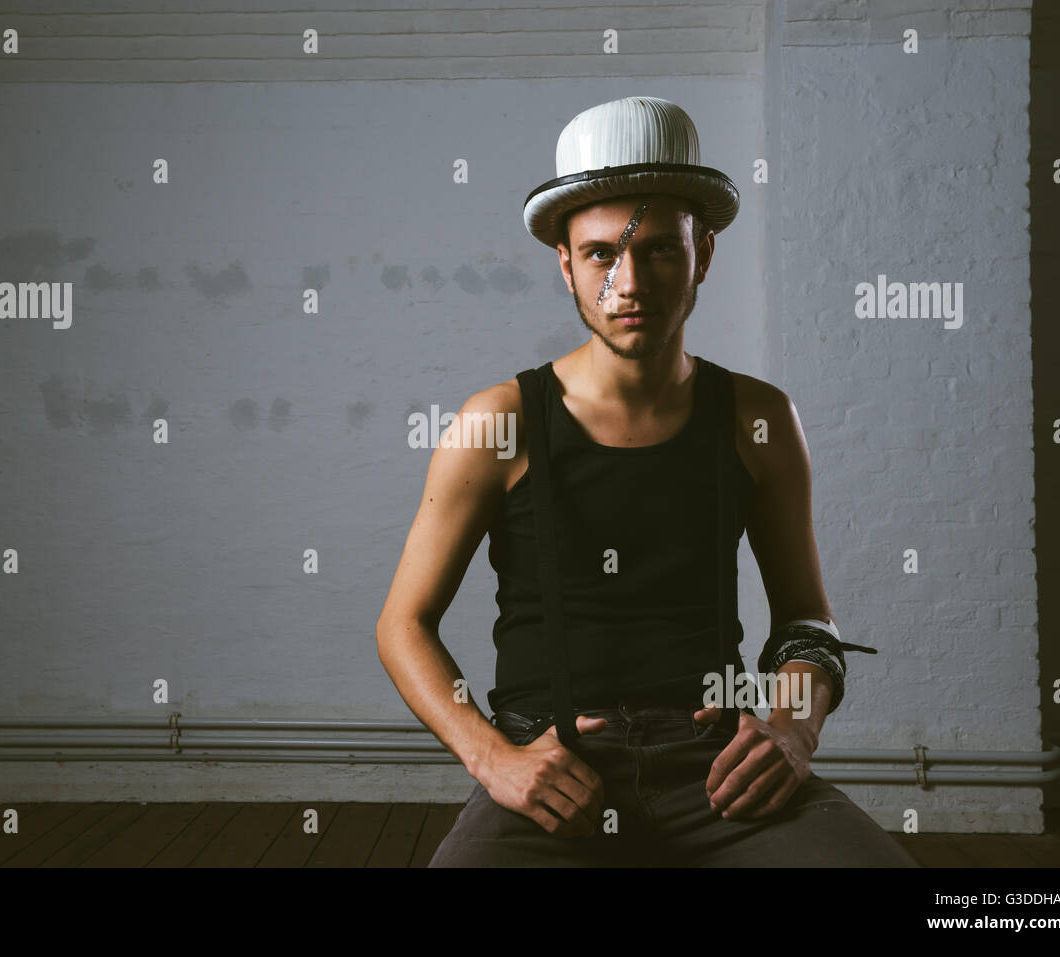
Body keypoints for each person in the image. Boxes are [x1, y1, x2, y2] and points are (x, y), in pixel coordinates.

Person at [375, 96, 918, 867]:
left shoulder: (757, 418)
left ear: (704, 252)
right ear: (565, 263)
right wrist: (494, 758)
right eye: (601, 253)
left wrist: (793, 729)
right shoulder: (501, 421)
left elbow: (806, 623)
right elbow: (402, 624)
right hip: (554, 765)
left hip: (716, 766)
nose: (629, 282)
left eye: (661, 249)